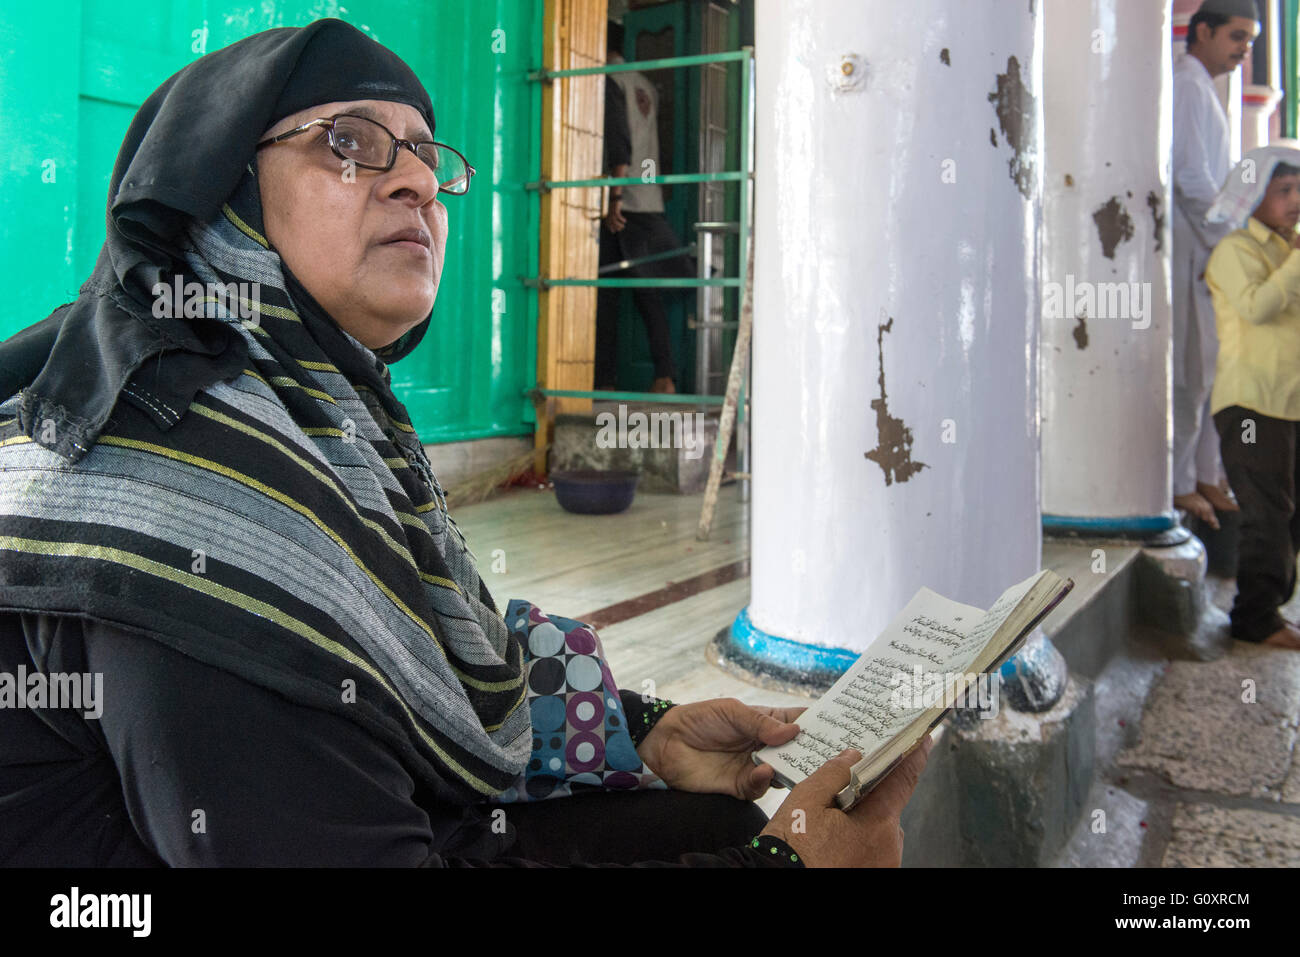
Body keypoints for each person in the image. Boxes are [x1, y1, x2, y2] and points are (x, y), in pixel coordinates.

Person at [0, 19, 931, 866]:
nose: (416, 181)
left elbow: (411, 649)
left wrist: (638, 733)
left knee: (712, 815)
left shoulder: (319, 412)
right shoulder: (182, 486)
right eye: (351, 144)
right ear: (223, 196)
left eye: (423, 157)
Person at [1204, 145, 1300, 651]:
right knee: (1265, 513)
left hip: (1290, 404)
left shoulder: (1288, 251)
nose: (1295, 200)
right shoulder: (1236, 250)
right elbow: (1257, 307)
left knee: (1289, 511)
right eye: (1283, 190)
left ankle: (1270, 609)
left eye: (1299, 190)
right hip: (1251, 405)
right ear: (1254, 195)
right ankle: (1254, 620)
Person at [1171, 0, 1260, 530]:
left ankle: (1205, 474)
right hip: (1195, 247)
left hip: (1208, 249)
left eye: (1249, 41)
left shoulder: (1204, 87)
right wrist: (1229, 241)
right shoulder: (1186, 84)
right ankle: (1181, 485)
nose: (1243, 50)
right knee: (1192, 375)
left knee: (1211, 371)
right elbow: (1191, 178)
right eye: (1237, 36)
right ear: (1202, 31)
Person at [595, 22, 694, 395]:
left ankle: (604, 381)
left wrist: (614, 199)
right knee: (647, 293)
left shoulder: (609, 79)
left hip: (625, 204)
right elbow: (657, 144)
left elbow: (619, 146)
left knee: (604, 294)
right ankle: (664, 377)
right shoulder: (644, 84)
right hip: (648, 197)